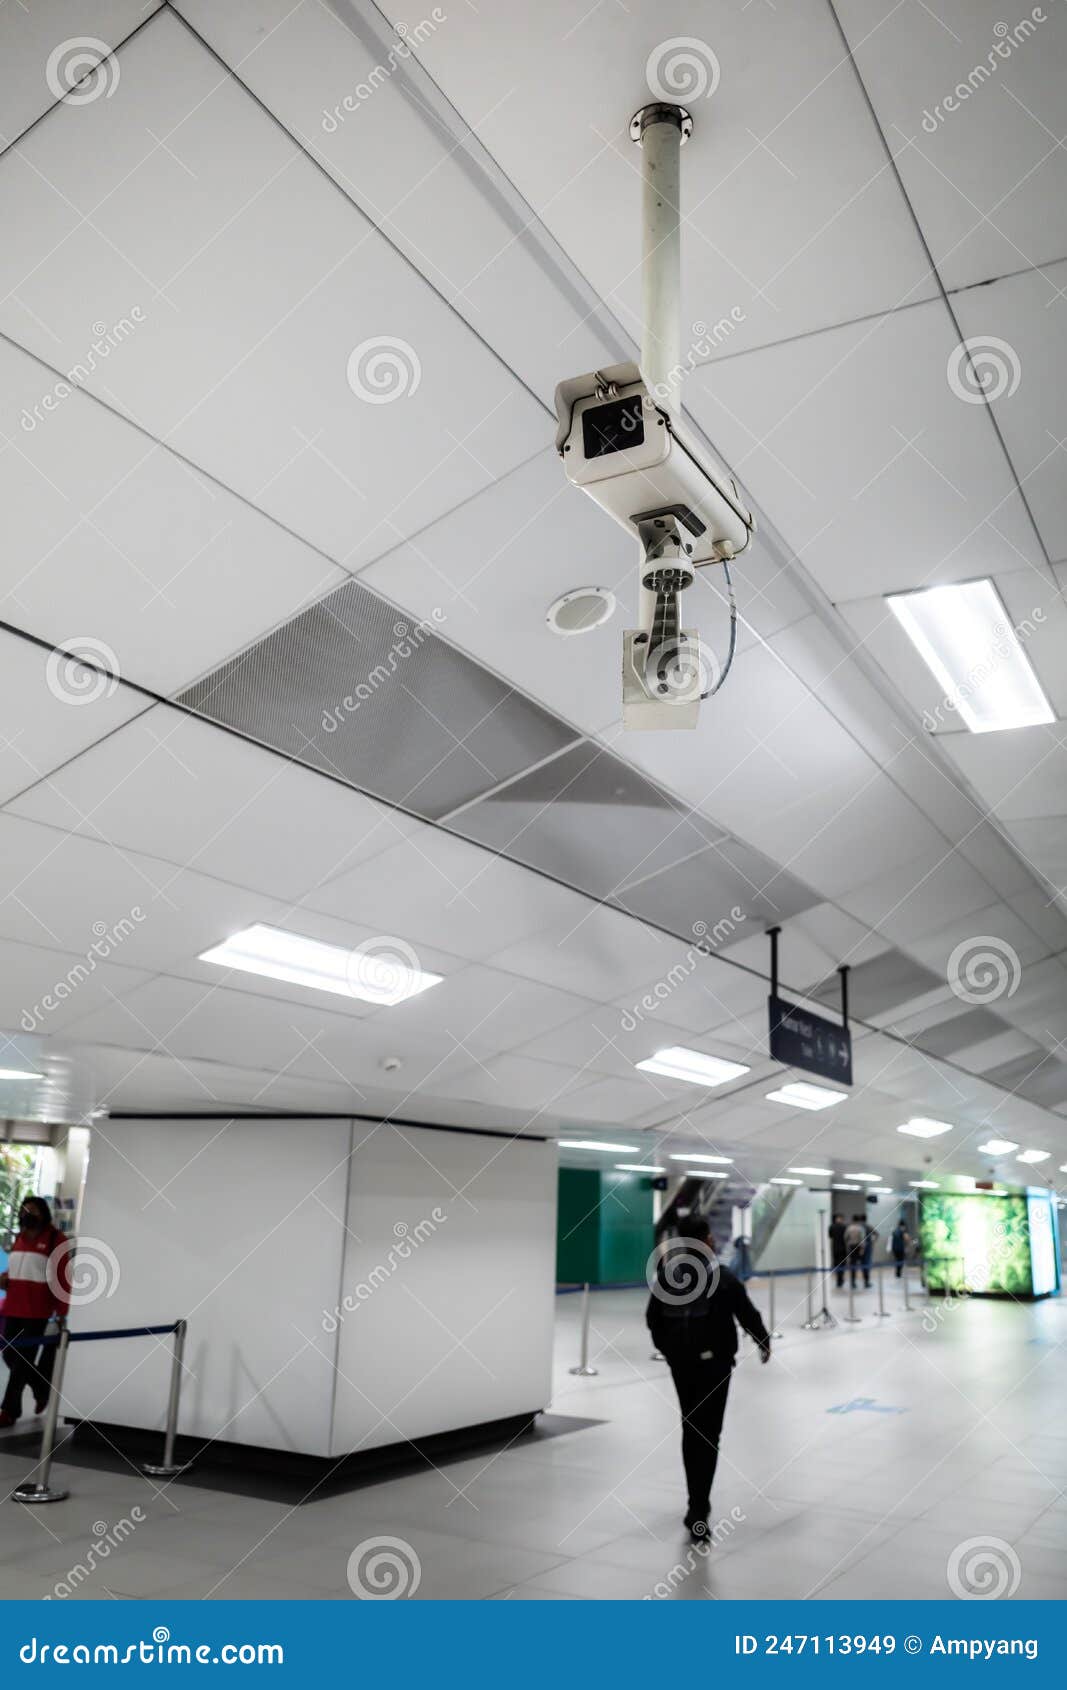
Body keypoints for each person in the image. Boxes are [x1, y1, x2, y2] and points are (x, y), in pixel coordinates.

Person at [646, 1215, 771, 1543]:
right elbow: (746, 1312)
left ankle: (695, 1503)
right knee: (709, 1433)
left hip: (682, 1366)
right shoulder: (722, 1277)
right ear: (707, 1239)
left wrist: (671, 1352)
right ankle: (699, 1507)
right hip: (714, 1367)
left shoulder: (667, 1276)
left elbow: (652, 1319)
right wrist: (763, 1341)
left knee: (690, 1427)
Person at [0, 1196, 71, 1428]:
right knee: (9, 1355)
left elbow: (63, 1279)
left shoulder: (55, 1239)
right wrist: (7, 1278)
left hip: (37, 1312)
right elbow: (21, 1267)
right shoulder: (20, 1237)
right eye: (24, 1210)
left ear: (44, 1214)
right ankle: (41, 1388)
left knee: (21, 1361)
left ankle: (9, 1411)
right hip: (13, 1307)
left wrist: (62, 1312)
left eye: (32, 1211)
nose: (26, 1214)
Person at [843, 1214, 866, 1289]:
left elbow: (845, 1237)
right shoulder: (860, 1228)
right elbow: (862, 1239)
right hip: (858, 1247)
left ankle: (853, 1282)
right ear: (858, 1220)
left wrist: (848, 1244)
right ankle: (865, 1281)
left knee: (852, 1264)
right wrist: (862, 1249)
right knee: (861, 1263)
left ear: (852, 1220)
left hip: (851, 1247)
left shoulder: (849, 1228)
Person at [828, 1212, 847, 1289]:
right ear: (841, 1219)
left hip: (835, 1248)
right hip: (843, 1248)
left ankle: (838, 1280)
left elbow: (830, 1236)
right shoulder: (844, 1227)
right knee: (842, 1264)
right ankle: (841, 1279)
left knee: (837, 1264)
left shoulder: (831, 1227)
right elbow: (846, 1237)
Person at [862, 1219, 877, 1289]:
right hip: (867, 1247)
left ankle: (865, 1281)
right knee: (866, 1264)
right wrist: (873, 1242)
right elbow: (876, 1234)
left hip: (861, 1248)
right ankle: (866, 1281)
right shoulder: (868, 1227)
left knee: (864, 1265)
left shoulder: (860, 1226)